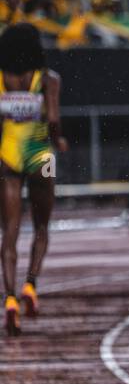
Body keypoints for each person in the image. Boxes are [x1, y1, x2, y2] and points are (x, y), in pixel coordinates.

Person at [0, 23, 65, 334]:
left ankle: (9, 298)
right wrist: (59, 140)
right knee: (41, 226)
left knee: (9, 231)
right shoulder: (48, 80)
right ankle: (31, 285)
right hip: (41, 155)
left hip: (9, 154)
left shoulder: (1, 78)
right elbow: (52, 118)